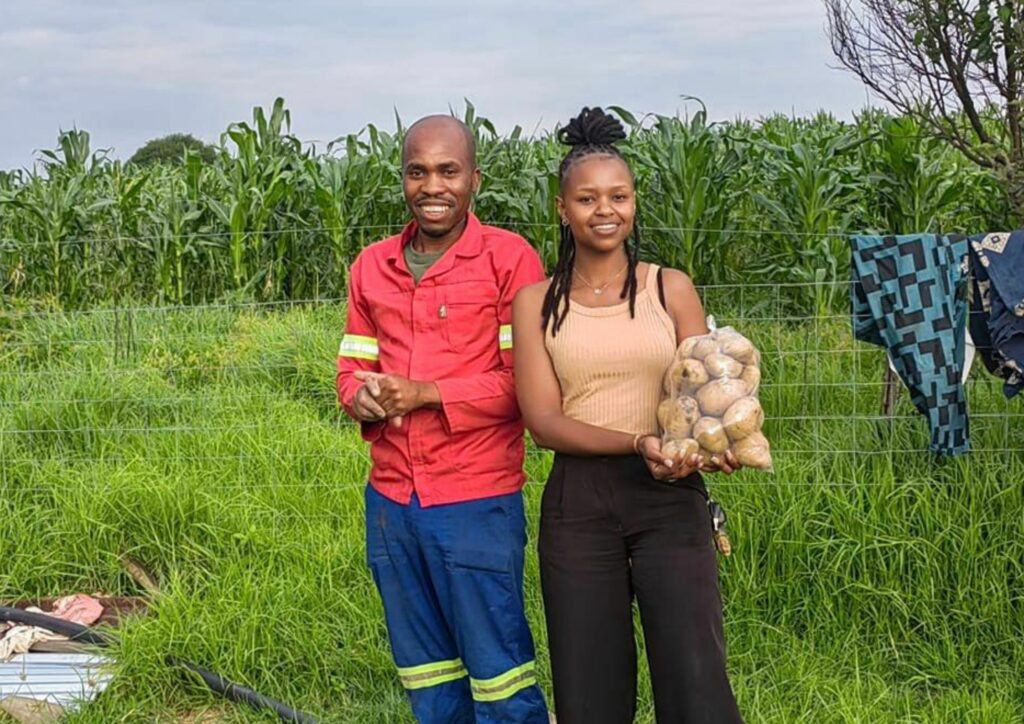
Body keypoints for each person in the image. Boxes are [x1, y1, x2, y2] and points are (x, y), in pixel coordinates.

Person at [512, 107, 744, 723]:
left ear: (635, 202)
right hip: (578, 504)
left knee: (695, 680)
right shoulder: (535, 303)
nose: (604, 210)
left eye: (619, 195)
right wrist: (638, 440)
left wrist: (710, 445)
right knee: (590, 690)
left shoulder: (671, 288)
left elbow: (708, 398)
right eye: (587, 198)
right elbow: (542, 421)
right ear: (563, 209)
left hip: (670, 494)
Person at [336, 115, 549, 723]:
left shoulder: (509, 260)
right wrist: (361, 398)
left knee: (499, 673)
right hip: (391, 503)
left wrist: (425, 393)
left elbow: (524, 387)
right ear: (402, 178)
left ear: (474, 178)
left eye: (448, 171)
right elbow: (351, 369)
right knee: (426, 672)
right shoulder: (371, 265)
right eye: (418, 171)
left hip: (475, 499)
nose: (433, 186)